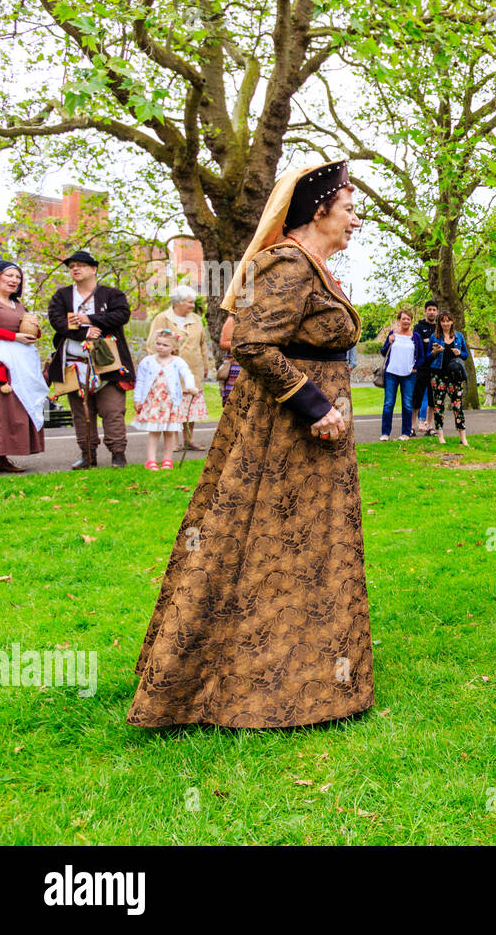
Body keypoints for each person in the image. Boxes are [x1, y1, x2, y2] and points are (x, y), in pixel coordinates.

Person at [129, 159, 374, 728]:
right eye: (350, 208)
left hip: (311, 427)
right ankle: (233, 680)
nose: (356, 220)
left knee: (302, 547)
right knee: (265, 540)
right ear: (320, 209)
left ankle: (306, 671)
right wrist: (315, 407)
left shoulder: (312, 264)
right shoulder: (288, 263)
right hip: (290, 427)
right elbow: (256, 345)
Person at [46, 250, 136, 468]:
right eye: (71, 266)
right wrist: (83, 333)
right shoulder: (62, 296)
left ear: (93, 269)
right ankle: (88, 455)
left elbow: (122, 315)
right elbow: (56, 320)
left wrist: (89, 318)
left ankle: (118, 454)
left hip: (108, 362)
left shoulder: (112, 294)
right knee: (81, 412)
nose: (75, 269)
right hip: (74, 364)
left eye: (81, 265)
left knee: (113, 410)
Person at [0, 260, 48, 472]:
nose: (14, 280)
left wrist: (34, 331)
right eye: (9, 275)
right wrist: (13, 336)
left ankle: (0, 458)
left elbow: (26, 332)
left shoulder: (19, 306)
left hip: (20, 367)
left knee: (10, 410)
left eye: (17, 277)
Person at [147, 285, 211, 451]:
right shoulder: (163, 318)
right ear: (178, 302)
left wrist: (205, 364)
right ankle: (173, 442)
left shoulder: (196, 319)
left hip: (193, 369)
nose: (192, 305)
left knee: (190, 406)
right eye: (189, 302)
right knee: (173, 405)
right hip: (170, 370)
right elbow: (152, 343)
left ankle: (189, 440)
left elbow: (202, 344)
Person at [132, 328, 195, 470]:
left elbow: (187, 374)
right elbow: (140, 381)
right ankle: (151, 460)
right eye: (158, 344)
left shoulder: (177, 362)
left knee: (169, 432)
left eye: (165, 345)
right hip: (154, 402)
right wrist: (138, 400)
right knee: (154, 432)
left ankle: (167, 460)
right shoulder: (148, 361)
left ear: (174, 348)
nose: (160, 347)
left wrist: (191, 387)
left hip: (170, 403)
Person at [379, 308, 424, 441]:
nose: (406, 321)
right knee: (388, 403)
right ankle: (385, 433)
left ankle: (405, 433)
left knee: (407, 404)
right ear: (399, 320)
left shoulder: (415, 337)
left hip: (409, 375)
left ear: (411, 321)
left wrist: (415, 367)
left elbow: (421, 356)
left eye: (408, 319)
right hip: (391, 373)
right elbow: (383, 352)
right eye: (403, 318)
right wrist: (389, 341)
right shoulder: (392, 334)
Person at [428, 309, 469, 446]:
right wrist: (434, 352)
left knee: (458, 405)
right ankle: (440, 435)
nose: (446, 323)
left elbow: (466, 355)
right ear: (439, 322)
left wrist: (459, 353)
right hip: (438, 375)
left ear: (452, 321)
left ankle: (463, 437)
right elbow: (428, 357)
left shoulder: (459, 336)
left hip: (455, 376)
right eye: (443, 321)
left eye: (448, 320)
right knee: (438, 406)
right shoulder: (434, 336)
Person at [411, 299, 440, 433]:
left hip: (435, 367)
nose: (432, 312)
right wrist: (428, 343)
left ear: (437, 312)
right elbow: (417, 344)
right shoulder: (418, 327)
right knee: (417, 397)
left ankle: (430, 426)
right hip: (421, 367)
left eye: (434, 310)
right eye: (429, 309)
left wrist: (428, 341)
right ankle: (412, 427)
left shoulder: (439, 328)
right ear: (425, 311)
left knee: (432, 400)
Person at [216, 314, 242, 403]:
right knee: (234, 401)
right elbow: (224, 343)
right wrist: (245, 344)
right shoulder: (232, 319)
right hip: (236, 367)